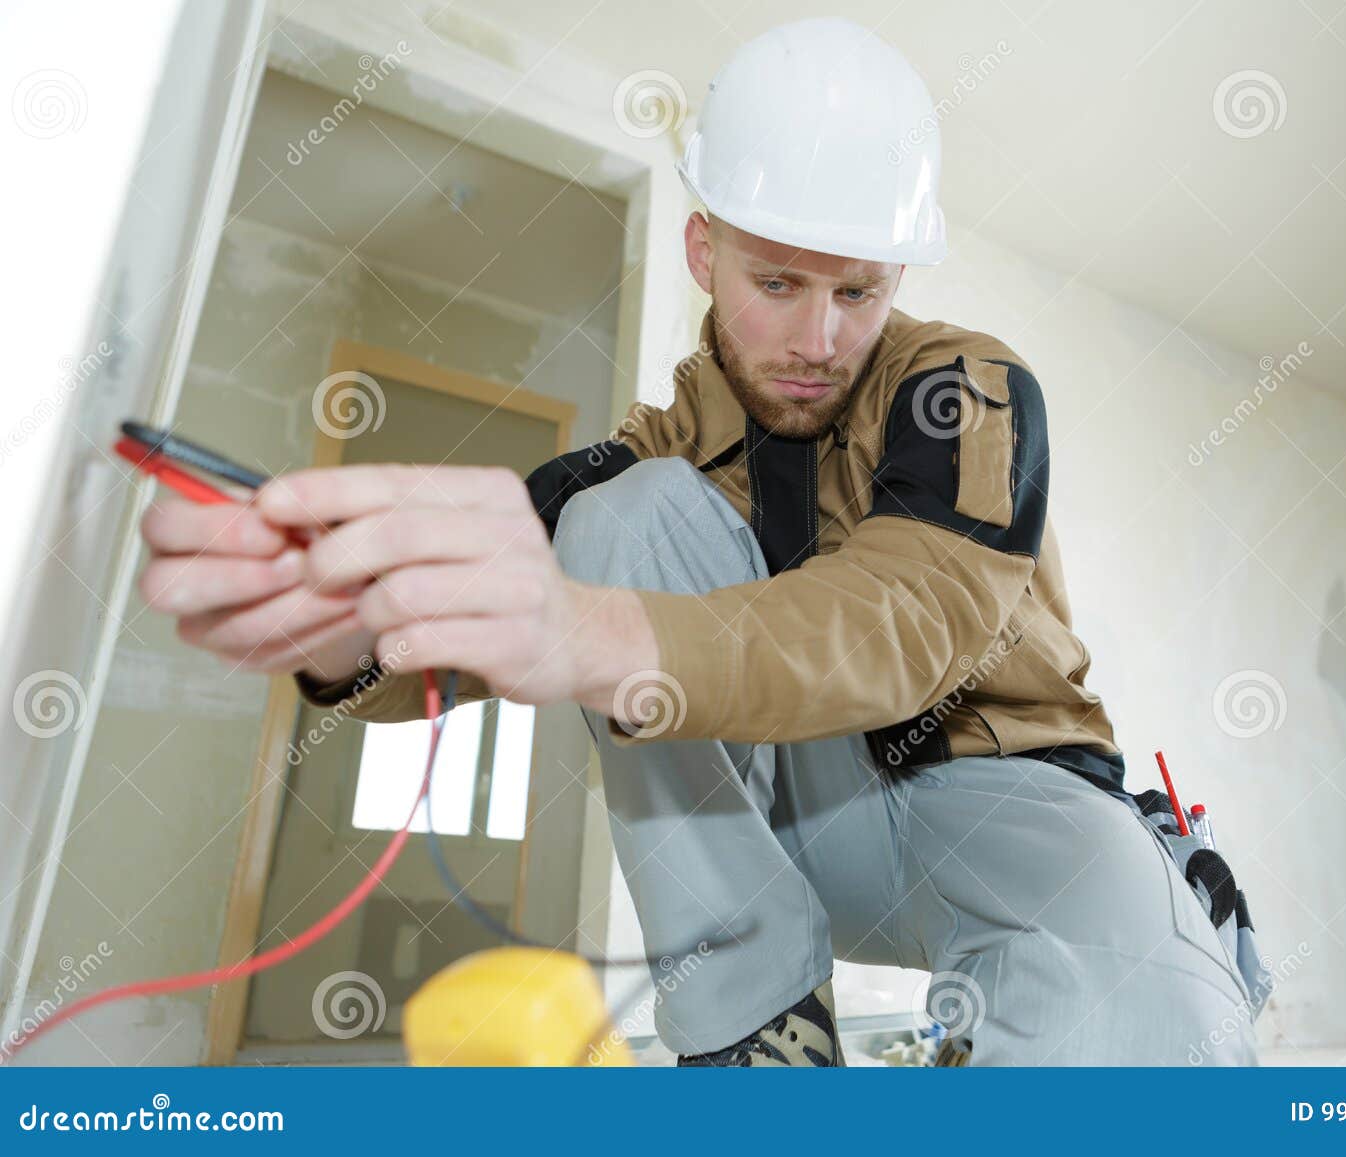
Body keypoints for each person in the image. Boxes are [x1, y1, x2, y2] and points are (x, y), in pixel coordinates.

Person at [136, 18, 1258, 1066]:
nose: (819, 338)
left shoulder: (966, 388)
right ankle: (756, 1027)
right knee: (612, 519)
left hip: (1013, 797)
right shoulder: (652, 455)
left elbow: (904, 621)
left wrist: (593, 631)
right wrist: (347, 635)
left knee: (1173, 1065)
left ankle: (1164, 916)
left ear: (897, 277)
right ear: (701, 250)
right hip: (807, 816)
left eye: (856, 291)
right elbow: (481, 612)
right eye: (776, 281)